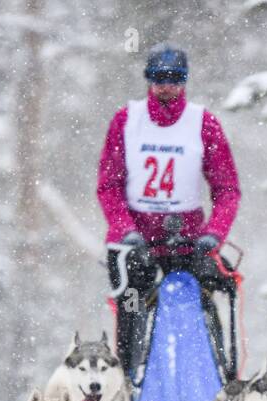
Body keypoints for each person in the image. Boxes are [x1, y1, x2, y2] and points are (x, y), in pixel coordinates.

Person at [96, 43, 242, 379]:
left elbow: (227, 189)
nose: (166, 86)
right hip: (135, 240)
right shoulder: (126, 120)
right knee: (132, 308)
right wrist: (125, 228)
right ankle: (130, 382)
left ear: (185, 81)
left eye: (174, 79)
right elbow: (109, 185)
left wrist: (214, 234)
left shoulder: (203, 122)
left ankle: (217, 380)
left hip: (189, 240)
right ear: (148, 80)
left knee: (204, 300)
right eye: (159, 79)